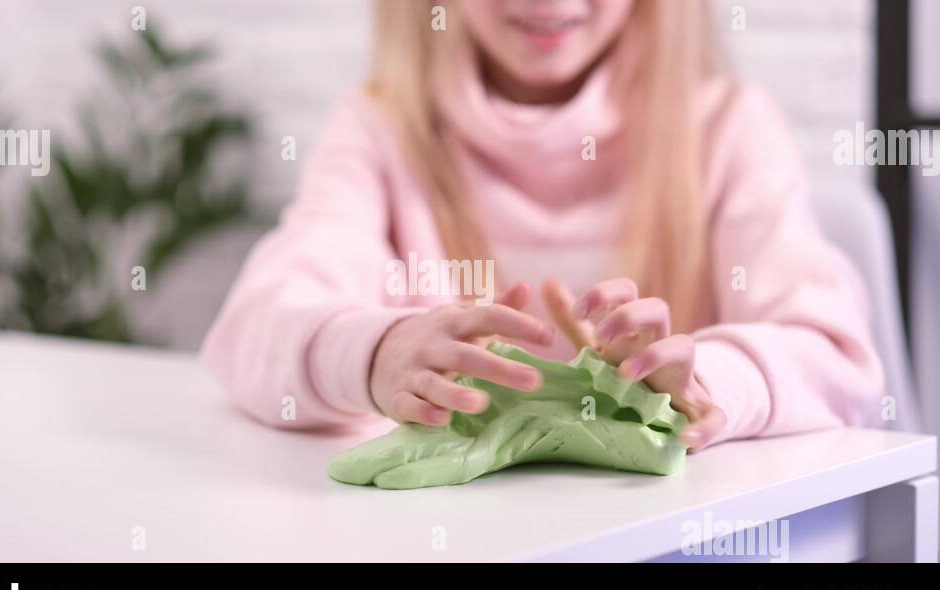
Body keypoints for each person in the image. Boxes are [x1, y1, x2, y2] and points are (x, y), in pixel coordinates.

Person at [201, 0, 883, 451]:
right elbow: (254, 324)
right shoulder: (380, 132)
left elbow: (835, 355)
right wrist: (376, 353)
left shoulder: (726, 127)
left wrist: (709, 382)